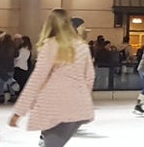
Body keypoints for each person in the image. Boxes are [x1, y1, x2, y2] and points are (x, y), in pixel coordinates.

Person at [10, 8, 95, 147]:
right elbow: (90, 77)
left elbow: (37, 78)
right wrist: (82, 97)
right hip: (78, 107)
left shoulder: (50, 45)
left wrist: (19, 112)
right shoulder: (82, 46)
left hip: (53, 108)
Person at [0, 33, 18, 104]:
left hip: (1, 67)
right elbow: (16, 55)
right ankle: (13, 95)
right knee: (10, 81)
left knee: (1, 82)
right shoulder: (12, 46)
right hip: (10, 66)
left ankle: (1, 96)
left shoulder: (1, 45)